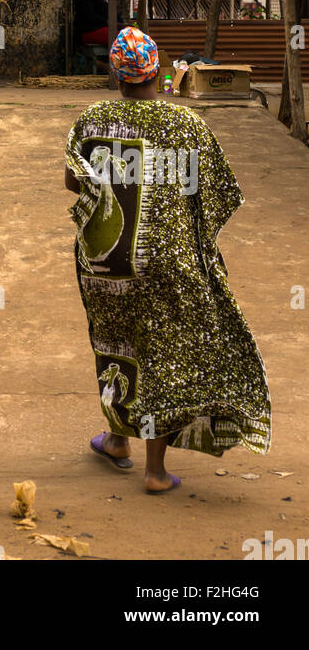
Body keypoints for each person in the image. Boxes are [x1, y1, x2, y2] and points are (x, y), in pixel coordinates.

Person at [63, 26, 271, 494]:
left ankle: (118, 439)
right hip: (166, 259)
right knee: (163, 351)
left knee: (117, 341)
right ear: (159, 72)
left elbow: (74, 184)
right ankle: (154, 472)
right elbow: (215, 194)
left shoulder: (91, 120)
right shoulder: (186, 125)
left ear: (116, 75)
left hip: (104, 260)